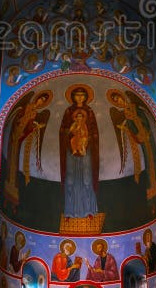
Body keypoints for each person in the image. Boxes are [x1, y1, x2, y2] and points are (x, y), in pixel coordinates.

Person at [59, 86, 99, 219]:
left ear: (86, 97)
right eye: (77, 95)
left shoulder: (90, 112)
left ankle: (89, 211)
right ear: (73, 97)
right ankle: (70, 212)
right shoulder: (68, 111)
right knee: (70, 180)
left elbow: (94, 132)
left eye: (82, 95)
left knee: (87, 179)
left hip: (86, 150)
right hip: (71, 150)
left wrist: (87, 139)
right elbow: (63, 131)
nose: (80, 97)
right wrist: (71, 134)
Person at [4, 91, 51, 205]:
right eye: (41, 99)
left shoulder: (35, 114)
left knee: (15, 161)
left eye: (43, 101)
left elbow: (29, 127)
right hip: (14, 135)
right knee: (11, 159)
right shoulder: (28, 106)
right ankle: (7, 187)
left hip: (19, 138)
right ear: (37, 98)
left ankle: (13, 188)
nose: (41, 102)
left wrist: (36, 126)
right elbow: (18, 118)